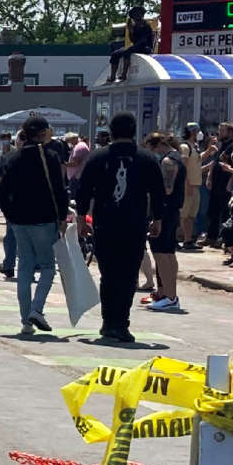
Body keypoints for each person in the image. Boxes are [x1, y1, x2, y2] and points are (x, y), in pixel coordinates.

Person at [75, 110, 161, 345]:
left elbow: (82, 190)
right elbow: (158, 191)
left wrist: (81, 218)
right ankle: (121, 323)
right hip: (134, 224)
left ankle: (108, 321)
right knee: (128, 275)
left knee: (108, 275)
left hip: (105, 223)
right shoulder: (147, 159)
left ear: (111, 132)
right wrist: (158, 219)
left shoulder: (98, 157)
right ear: (134, 132)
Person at [0, 114, 69, 332]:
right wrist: (63, 217)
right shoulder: (51, 156)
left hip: (18, 220)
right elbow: (59, 189)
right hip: (44, 219)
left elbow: (3, 192)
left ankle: (25, 322)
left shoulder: (11, 158)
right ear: (42, 133)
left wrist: (10, 215)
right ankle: (37, 309)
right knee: (47, 266)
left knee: (25, 268)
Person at [145, 130, 186, 315]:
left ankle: (170, 297)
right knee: (168, 253)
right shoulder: (177, 158)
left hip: (165, 211)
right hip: (172, 211)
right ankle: (165, 293)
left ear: (158, 145)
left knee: (162, 255)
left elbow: (166, 189)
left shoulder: (168, 162)